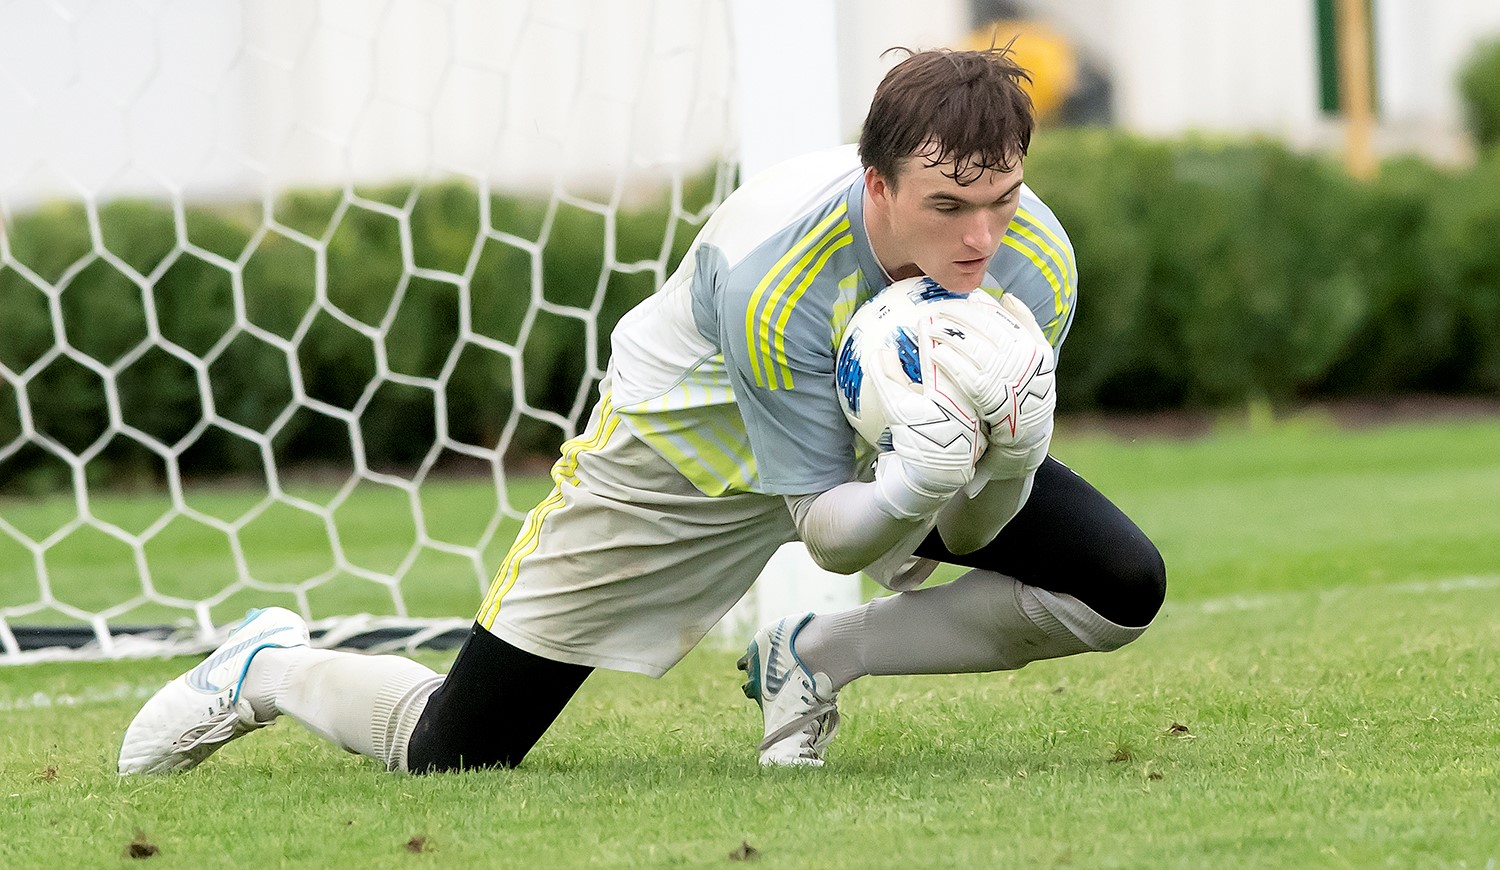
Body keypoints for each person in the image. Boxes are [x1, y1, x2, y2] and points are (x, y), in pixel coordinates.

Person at [119, 46, 1165, 775]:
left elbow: (972, 526)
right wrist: (910, 487)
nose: (981, 238)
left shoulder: (1037, 268)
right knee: (456, 752)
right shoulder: (774, 279)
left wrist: (1002, 462)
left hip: (884, 454)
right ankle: (270, 666)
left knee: (1119, 588)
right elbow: (831, 534)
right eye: (948, 206)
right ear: (878, 185)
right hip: (680, 457)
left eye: (1002, 200)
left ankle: (815, 657)